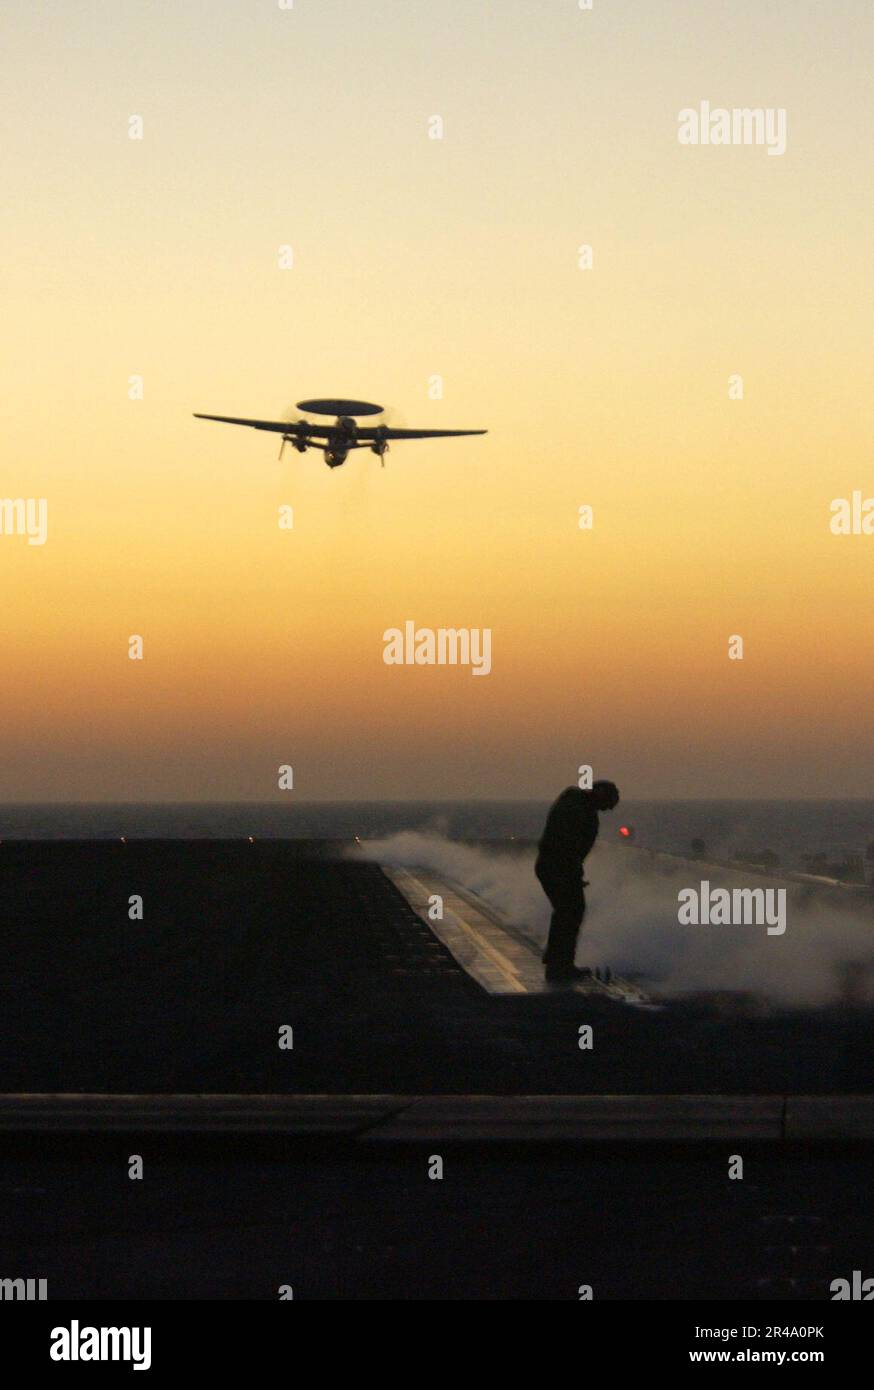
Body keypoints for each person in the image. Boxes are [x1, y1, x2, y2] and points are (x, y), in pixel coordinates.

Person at [535, 780, 620, 983]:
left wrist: (575, 874)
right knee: (570, 912)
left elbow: (573, 848)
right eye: (607, 802)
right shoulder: (576, 807)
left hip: (559, 868)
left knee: (567, 912)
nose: (606, 808)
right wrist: (572, 873)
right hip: (556, 867)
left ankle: (557, 960)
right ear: (598, 793)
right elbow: (566, 844)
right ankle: (560, 965)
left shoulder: (579, 806)